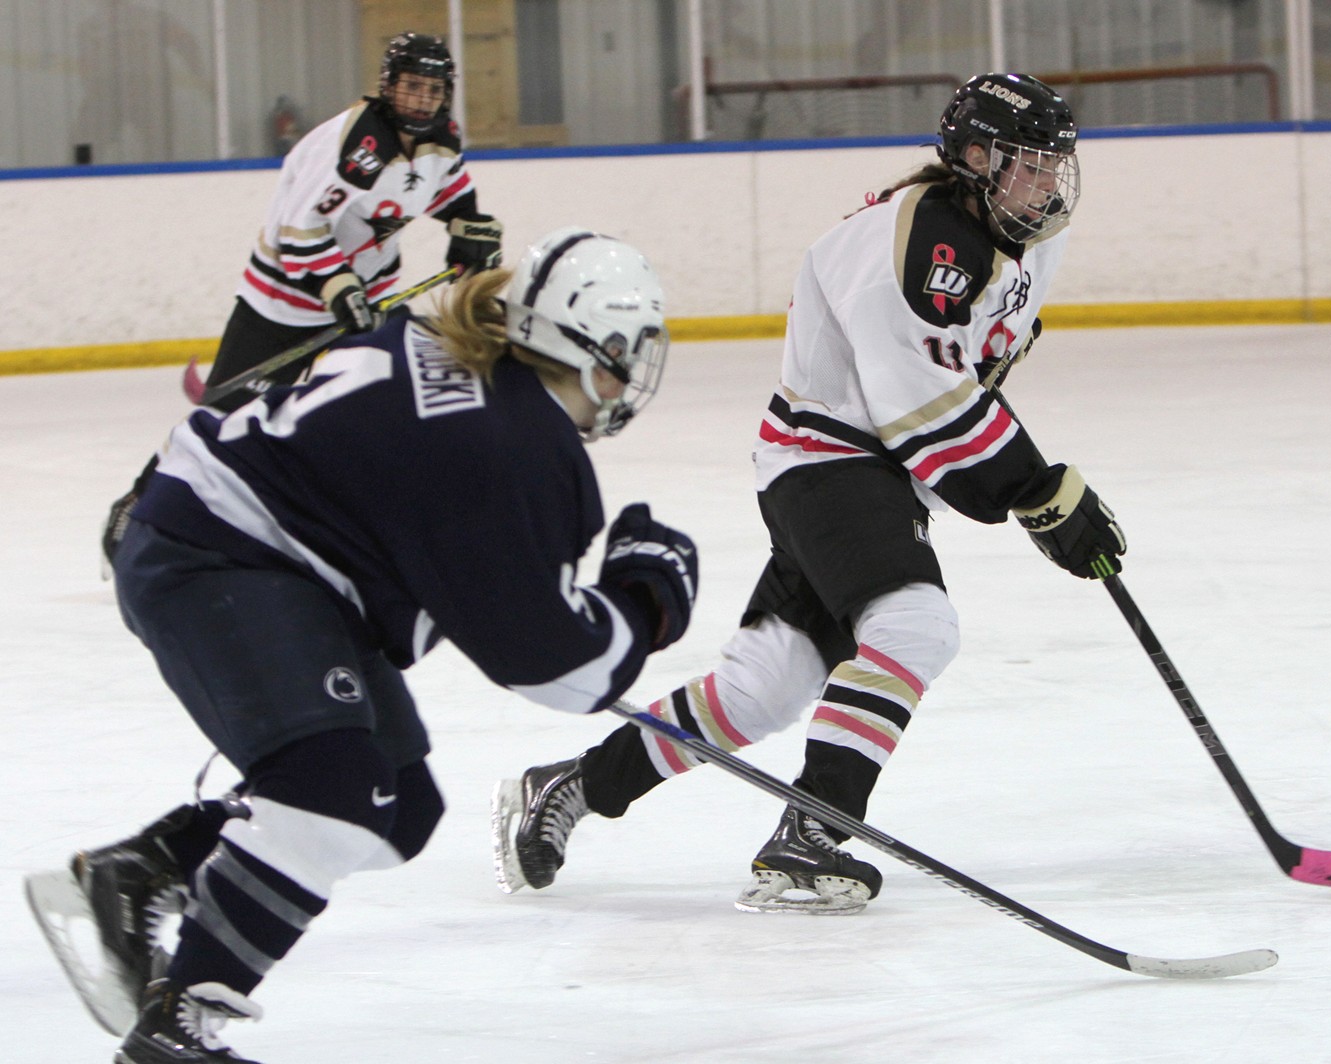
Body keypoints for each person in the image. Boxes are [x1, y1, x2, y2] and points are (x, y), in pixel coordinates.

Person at [25, 229, 695, 1062]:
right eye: (628, 357)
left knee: (398, 808)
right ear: (597, 350)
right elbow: (559, 669)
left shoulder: (447, 345)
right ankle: (179, 1026)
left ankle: (144, 871)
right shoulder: (512, 442)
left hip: (239, 546)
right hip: (222, 557)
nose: (630, 380)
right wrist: (649, 593)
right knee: (332, 792)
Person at [491, 73, 1126, 916]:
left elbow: (961, 378)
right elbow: (919, 398)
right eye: (1030, 165)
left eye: (1056, 167)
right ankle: (815, 828)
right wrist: (1033, 487)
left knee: (763, 688)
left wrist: (1039, 492)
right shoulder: (912, 241)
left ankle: (566, 785)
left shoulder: (1021, 235)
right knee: (914, 626)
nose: (1048, 185)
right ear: (976, 158)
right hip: (827, 460)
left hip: (875, 473)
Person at [100, 31, 504, 565]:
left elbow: (445, 190)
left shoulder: (441, 139)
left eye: (433, 89)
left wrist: (467, 225)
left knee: (391, 402)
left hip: (372, 294)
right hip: (282, 300)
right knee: (224, 417)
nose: (422, 100)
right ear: (388, 88)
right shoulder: (355, 148)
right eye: (412, 87)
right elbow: (300, 229)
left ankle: (385, 525)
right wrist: (337, 287)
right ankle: (139, 504)